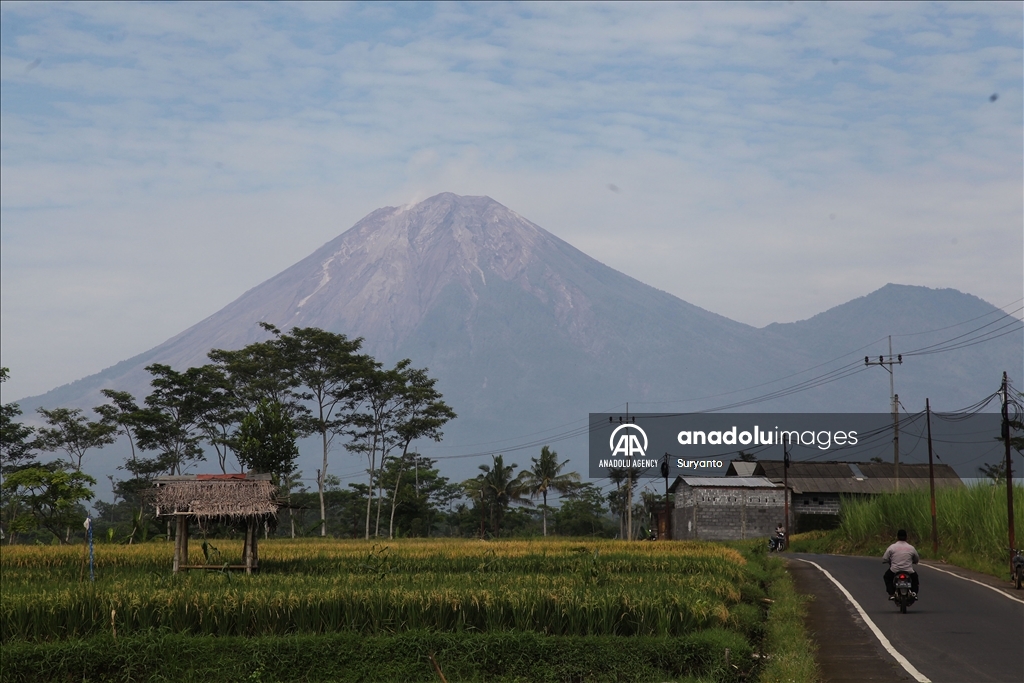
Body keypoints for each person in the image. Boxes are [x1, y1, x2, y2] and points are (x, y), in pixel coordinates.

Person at [882, 529, 919, 599]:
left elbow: (885, 558)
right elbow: (916, 559)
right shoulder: (911, 548)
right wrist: (914, 562)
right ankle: (914, 593)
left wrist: (888, 561)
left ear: (897, 537)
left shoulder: (892, 547)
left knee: (887, 577)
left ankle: (892, 593)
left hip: (895, 570)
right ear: (906, 537)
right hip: (908, 570)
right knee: (915, 579)